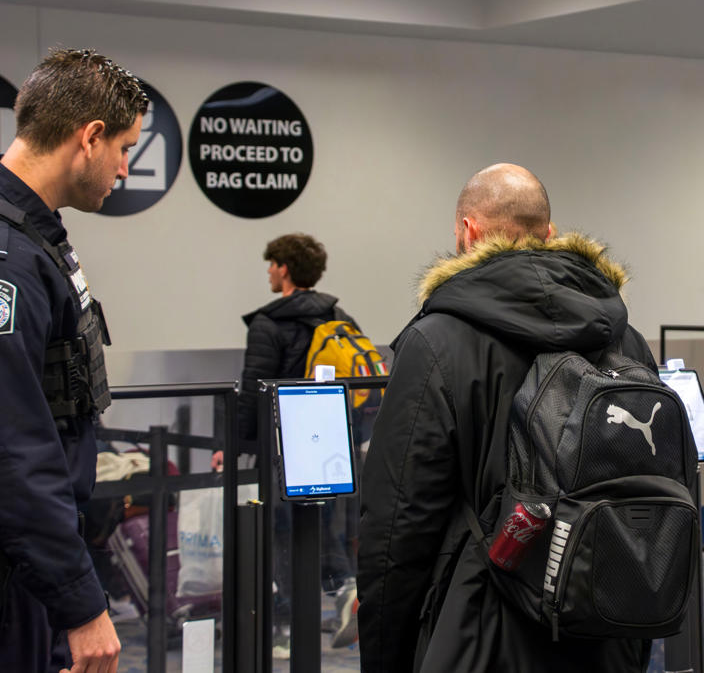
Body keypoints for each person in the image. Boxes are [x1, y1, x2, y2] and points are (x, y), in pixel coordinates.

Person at [357, 163, 654, 673]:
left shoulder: (436, 342)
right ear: (550, 234)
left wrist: (385, 655)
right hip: (605, 625)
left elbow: (398, 525)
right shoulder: (624, 338)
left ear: (467, 232)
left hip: (478, 630)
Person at [0, 49, 148, 673]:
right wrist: (81, 605)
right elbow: (9, 449)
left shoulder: (28, 238)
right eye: (123, 148)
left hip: (17, 572)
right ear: (89, 138)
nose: (125, 169)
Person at [212, 232, 360, 655]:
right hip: (329, 442)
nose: (269, 271)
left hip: (281, 445)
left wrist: (236, 442)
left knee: (279, 532)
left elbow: (252, 387)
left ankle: (288, 627)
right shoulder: (338, 315)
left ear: (286, 269)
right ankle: (344, 587)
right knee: (321, 521)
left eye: (272, 263)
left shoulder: (268, 323)